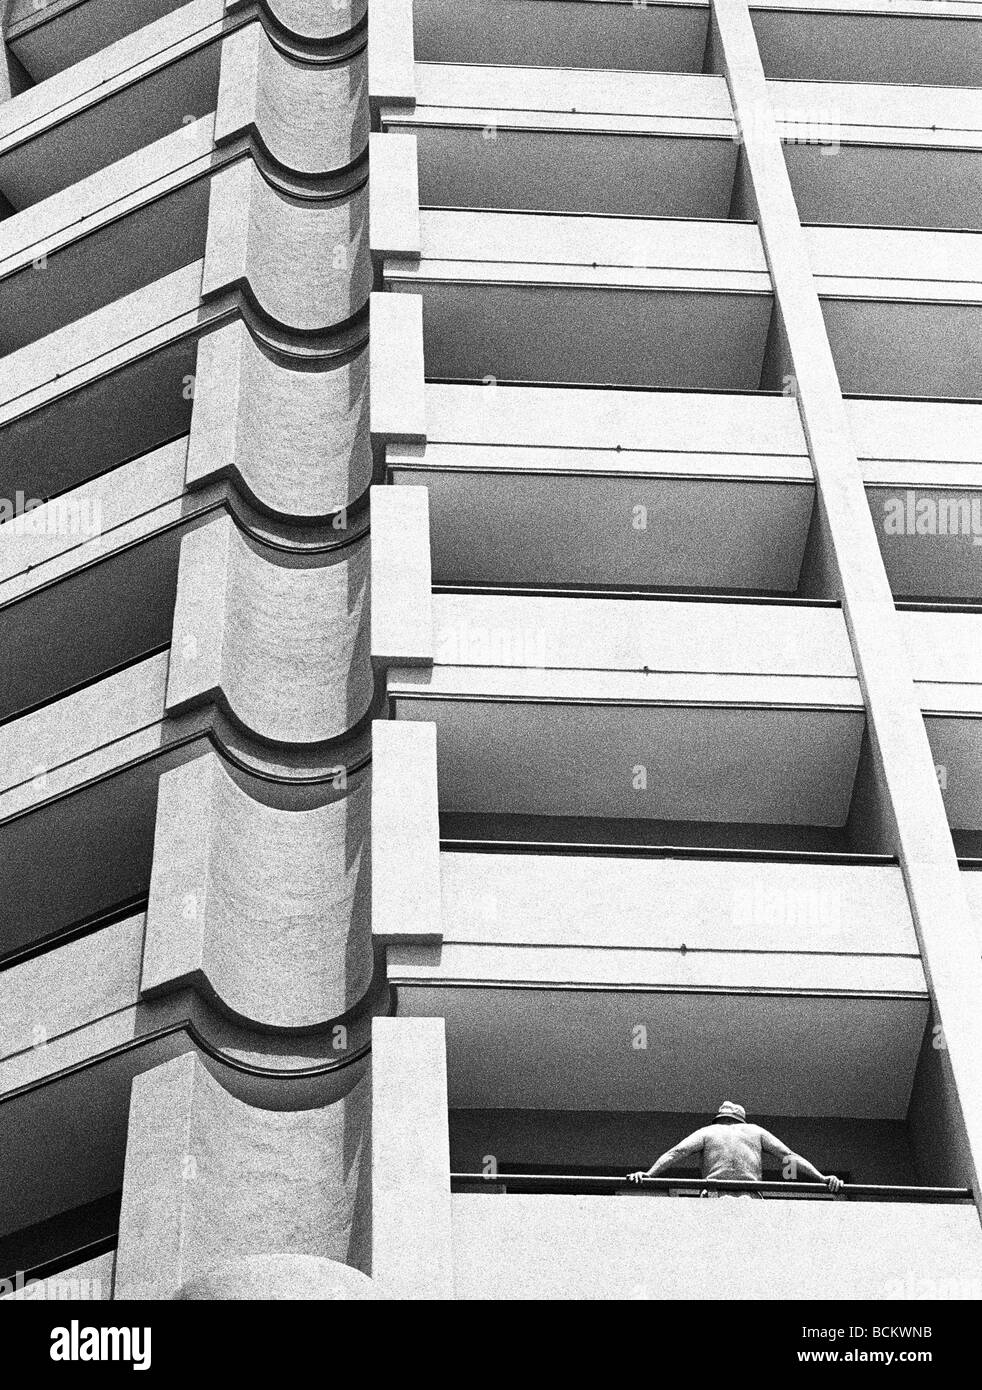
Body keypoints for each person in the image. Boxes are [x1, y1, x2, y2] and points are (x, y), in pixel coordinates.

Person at [626, 1101, 844, 1196]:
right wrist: (822, 1178)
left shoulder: (707, 1132)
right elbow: (788, 1156)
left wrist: (648, 1174)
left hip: (714, 1194)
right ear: (741, 1119)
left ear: (719, 1118)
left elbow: (676, 1153)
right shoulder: (755, 1131)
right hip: (750, 1195)